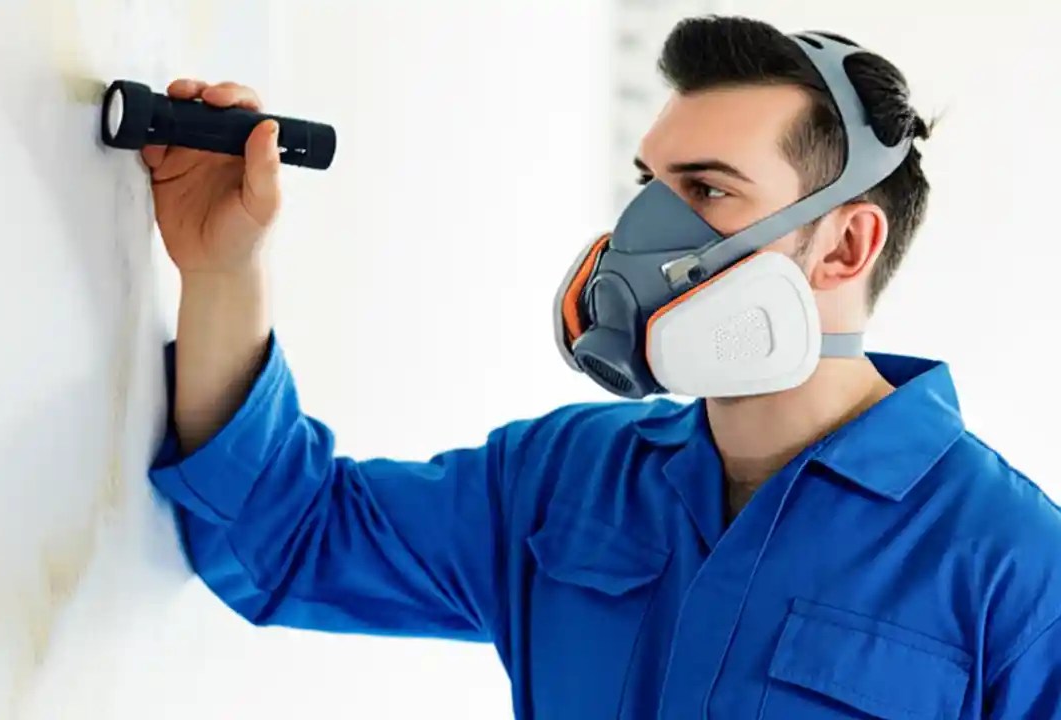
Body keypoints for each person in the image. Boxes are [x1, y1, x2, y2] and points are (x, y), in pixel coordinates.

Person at [143, 15, 1061, 720]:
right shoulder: (565, 482)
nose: (642, 235)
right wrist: (222, 273)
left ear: (847, 246)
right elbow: (287, 542)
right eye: (650, 184)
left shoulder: (1016, 568)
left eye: (707, 190)